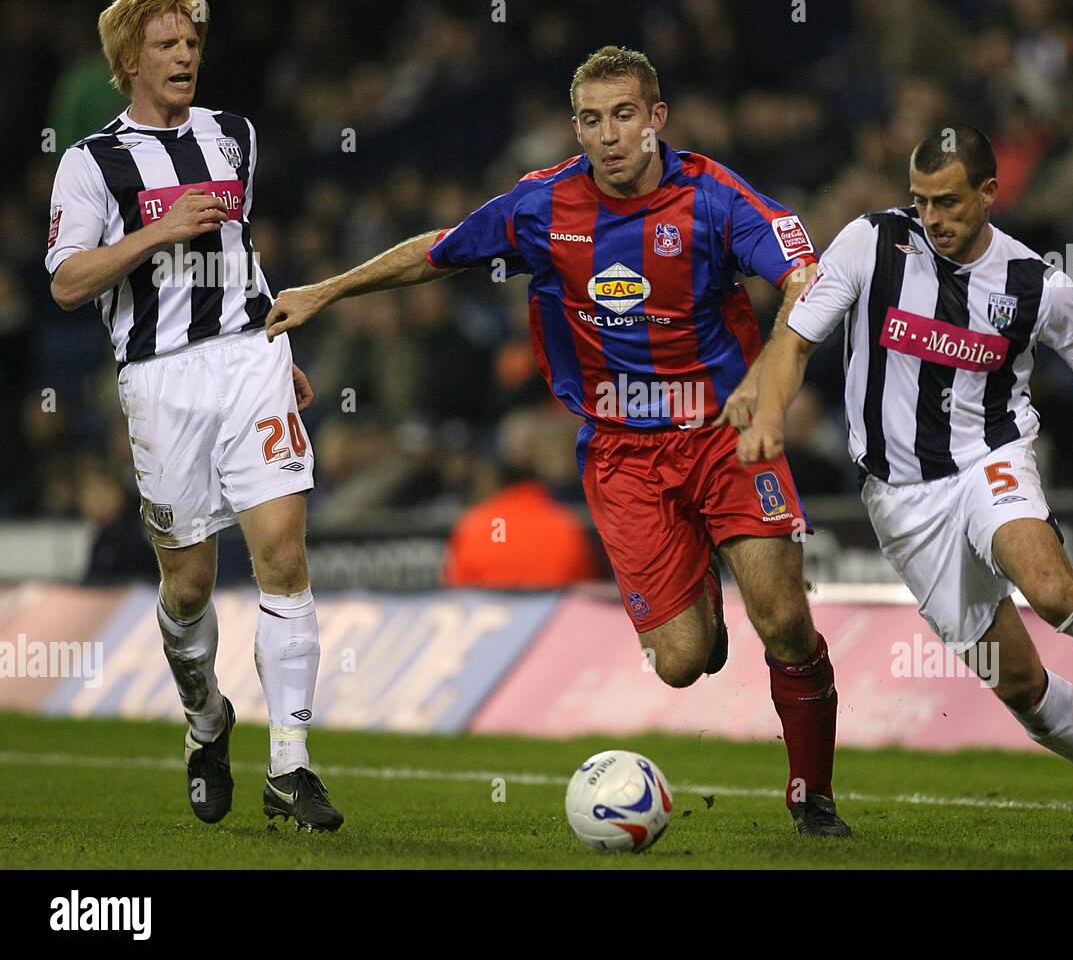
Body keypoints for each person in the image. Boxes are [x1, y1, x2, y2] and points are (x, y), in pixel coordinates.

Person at [266, 46, 848, 836]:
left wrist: (772, 379)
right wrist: (327, 290)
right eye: (591, 119)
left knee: (782, 615)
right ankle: (701, 591)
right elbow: (437, 251)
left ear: (656, 119)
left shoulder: (714, 197)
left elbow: (804, 277)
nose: (609, 135)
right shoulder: (542, 206)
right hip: (621, 456)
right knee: (680, 661)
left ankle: (811, 796)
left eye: (624, 116)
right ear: (575, 126)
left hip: (727, 433)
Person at [738, 123, 1073, 840]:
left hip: (989, 459)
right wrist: (770, 413)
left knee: (1055, 588)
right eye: (920, 199)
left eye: (949, 200)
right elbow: (795, 340)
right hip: (902, 501)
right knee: (1021, 683)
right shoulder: (871, 243)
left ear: (990, 192)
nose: (932, 217)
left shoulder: (1037, 285)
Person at [45, 0, 342, 831]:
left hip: (250, 360)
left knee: (283, 553)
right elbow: (67, 282)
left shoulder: (235, 137)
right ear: (128, 60)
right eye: (167, 46)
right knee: (189, 583)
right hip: (160, 378)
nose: (185, 58)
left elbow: (242, 252)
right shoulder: (92, 162)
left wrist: (273, 338)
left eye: (192, 44)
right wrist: (154, 231)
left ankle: (292, 766)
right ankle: (207, 721)